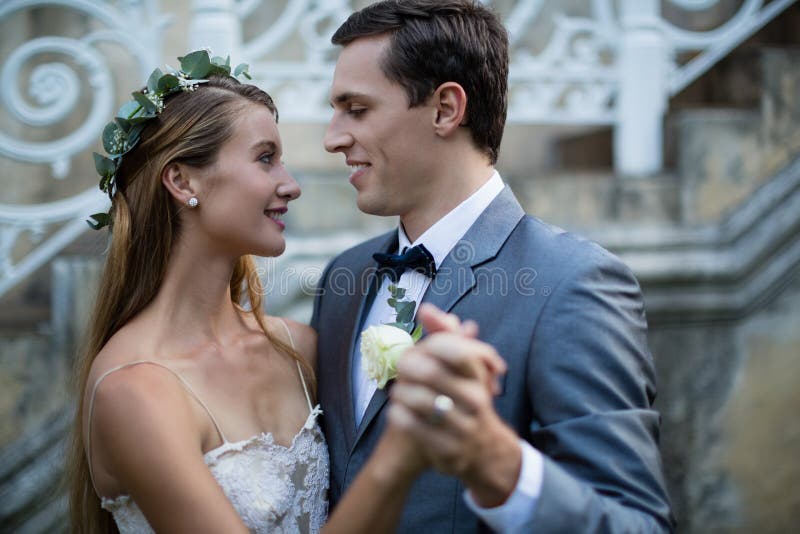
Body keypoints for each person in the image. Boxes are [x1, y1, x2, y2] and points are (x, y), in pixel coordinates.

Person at [65, 52, 490, 533]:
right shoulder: (133, 390)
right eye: (265, 158)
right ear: (182, 180)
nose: (290, 186)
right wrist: (397, 458)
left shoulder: (297, 349)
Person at [313, 0, 675, 532]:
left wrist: (497, 464)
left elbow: (636, 523)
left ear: (445, 109)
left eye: (357, 109)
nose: (332, 138)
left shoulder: (573, 284)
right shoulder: (342, 279)